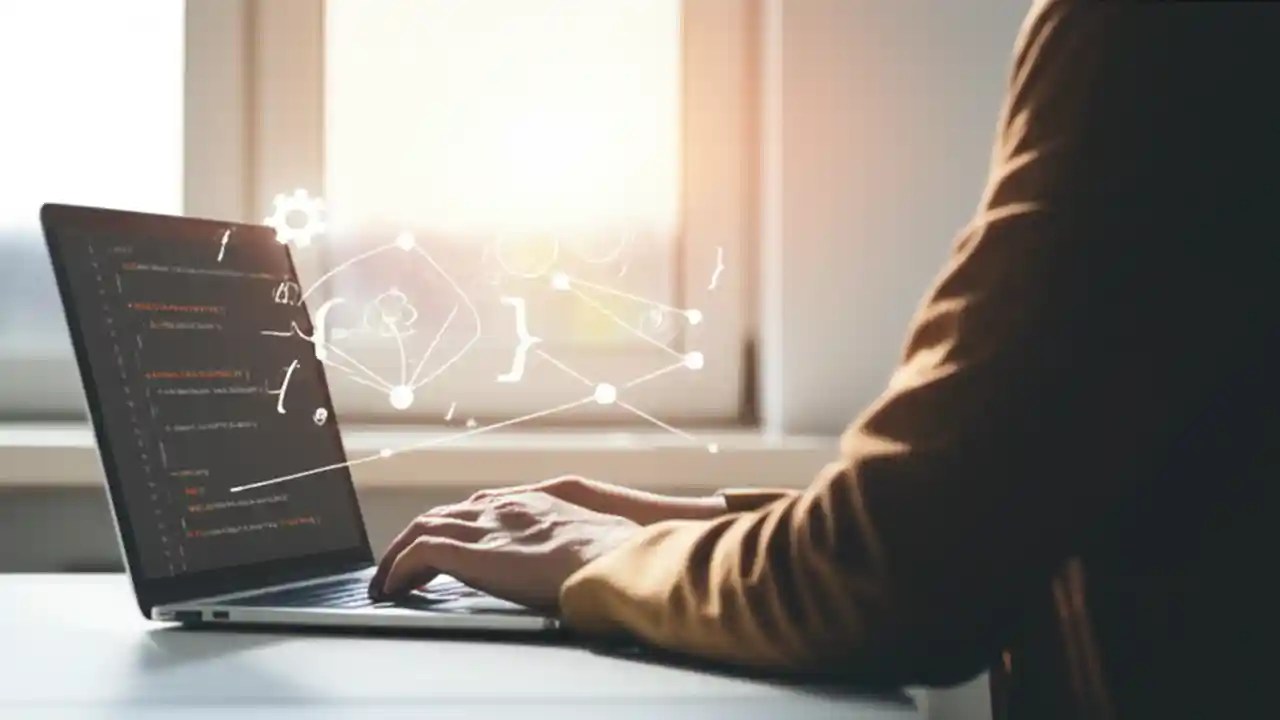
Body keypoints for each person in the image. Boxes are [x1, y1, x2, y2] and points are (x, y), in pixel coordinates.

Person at [369, 2, 1278, 717]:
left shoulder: (1155, 27)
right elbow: (1028, 495)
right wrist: (693, 525)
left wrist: (616, 556)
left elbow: (906, 574)